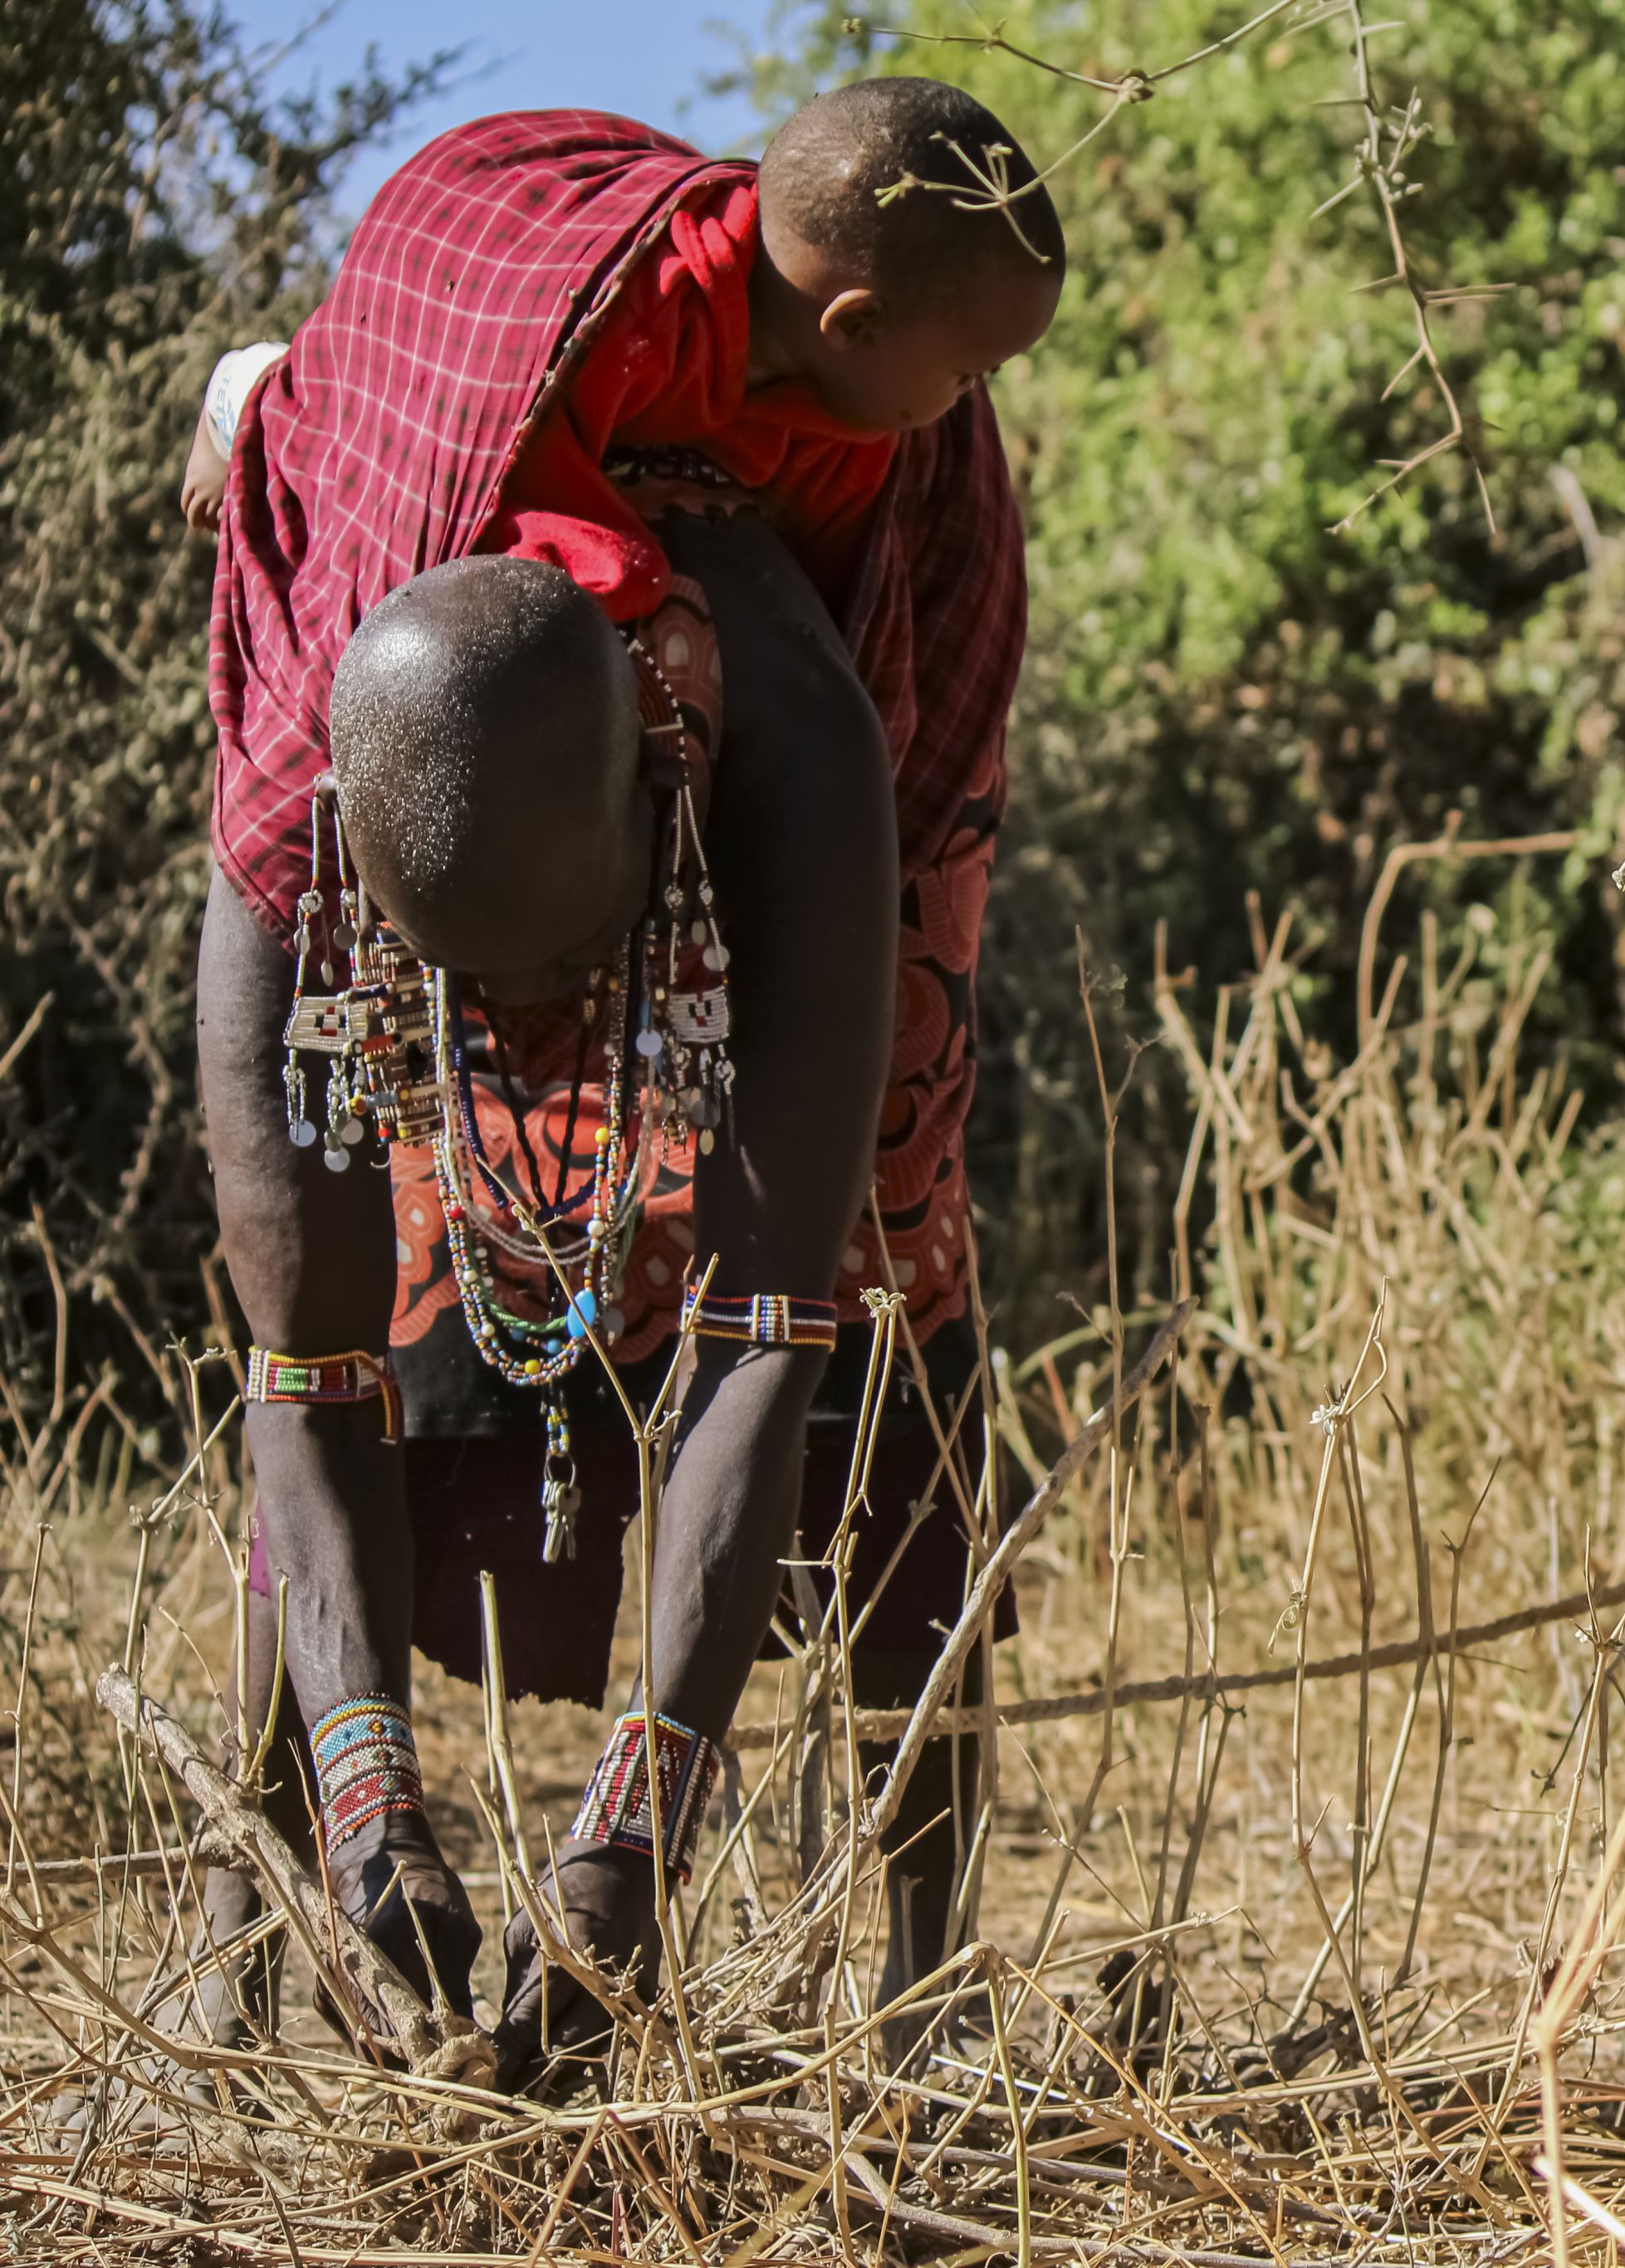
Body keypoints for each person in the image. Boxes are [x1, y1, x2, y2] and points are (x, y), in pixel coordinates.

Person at [189, 78, 1062, 2094]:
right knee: (340, 1295)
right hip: (412, 618)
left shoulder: (800, 765)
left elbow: (774, 1320)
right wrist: (370, 1798)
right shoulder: (295, 832)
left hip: (748, 743)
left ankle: (914, 2003)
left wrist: (627, 1851)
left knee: (890, 1289)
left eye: (560, 961)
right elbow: (294, 1362)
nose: (547, 1012)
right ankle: (273, 1910)